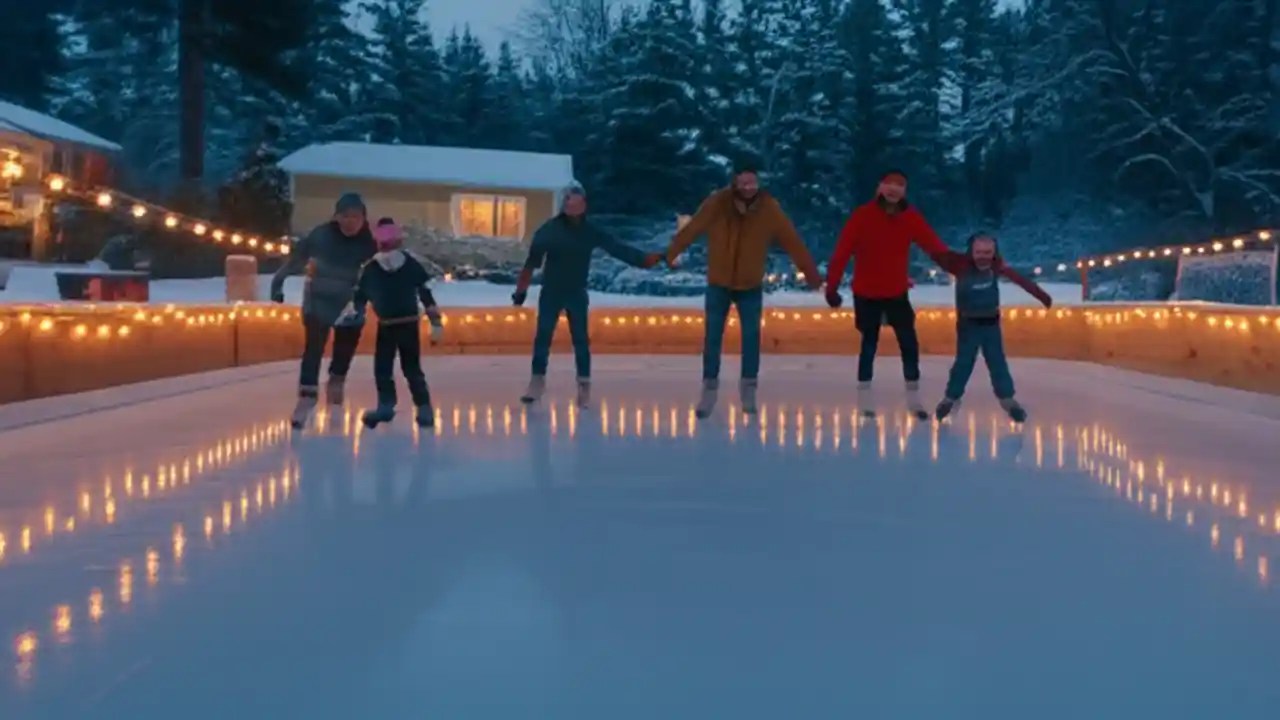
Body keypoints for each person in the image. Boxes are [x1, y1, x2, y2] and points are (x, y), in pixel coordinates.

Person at [668, 160, 821, 419]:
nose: (749, 187)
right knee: (712, 338)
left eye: (753, 182)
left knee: (751, 339)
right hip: (719, 283)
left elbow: (792, 241)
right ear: (735, 182)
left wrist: (813, 276)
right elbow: (692, 229)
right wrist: (670, 253)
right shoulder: (717, 203)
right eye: (744, 182)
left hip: (750, 285)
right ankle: (709, 391)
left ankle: (748, 391)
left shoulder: (769, 209)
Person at [513, 181, 662, 408]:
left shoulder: (589, 232)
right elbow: (531, 263)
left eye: (577, 203)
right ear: (564, 206)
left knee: (580, 340)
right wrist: (520, 291)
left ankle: (584, 385)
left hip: (576, 292)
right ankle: (537, 382)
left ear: (584, 205)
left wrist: (643, 260)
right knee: (543, 337)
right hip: (552, 291)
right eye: (569, 203)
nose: (573, 208)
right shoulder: (549, 231)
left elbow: (616, 247)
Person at [823, 170, 947, 419]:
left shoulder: (910, 217)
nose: (893, 189)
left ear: (905, 191)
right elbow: (842, 252)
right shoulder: (863, 216)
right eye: (889, 184)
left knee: (909, 344)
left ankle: (914, 398)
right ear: (879, 187)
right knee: (869, 344)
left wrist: (960, 266)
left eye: (899, 185)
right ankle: (865, 398)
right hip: (867, 293)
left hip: (896, 292)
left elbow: (934, 246)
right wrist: (832, 288)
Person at [271, 192, 377, 429]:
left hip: (351, 302)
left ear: (363, 218)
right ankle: (307, 394)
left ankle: (336, 381)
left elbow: (379, 272)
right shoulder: (321, 236)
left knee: (345, 346)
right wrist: (277, 285)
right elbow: (295, 261)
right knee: (314, 347)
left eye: (356, 217)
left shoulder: (369, 243)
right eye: (345, 216)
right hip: (319, 299)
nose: (350, 221)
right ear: (336, 216)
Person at [931, 233, 1052, 423]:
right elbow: (935, 250)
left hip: (991, 325)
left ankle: (1007, 399)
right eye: (978, 252)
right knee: (963, 363)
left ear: (994, 253)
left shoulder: (996, 266)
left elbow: (1020, 279)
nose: (983, 256)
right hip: (968, 325)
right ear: (971, 251)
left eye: (987, 252)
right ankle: (951, 398)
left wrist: (1042, 296)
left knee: (997, 362)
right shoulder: (959, 266)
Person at [341, 218, 444, 429]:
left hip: (387, 324)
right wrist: (435, 321)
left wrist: (354, 314)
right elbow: (425, 292)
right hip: (408, 323)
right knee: (412, 367)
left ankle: (386, 405)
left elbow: (360, 297)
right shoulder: (410, 264)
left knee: (383, 368)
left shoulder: (370, 269)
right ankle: (424, 408)